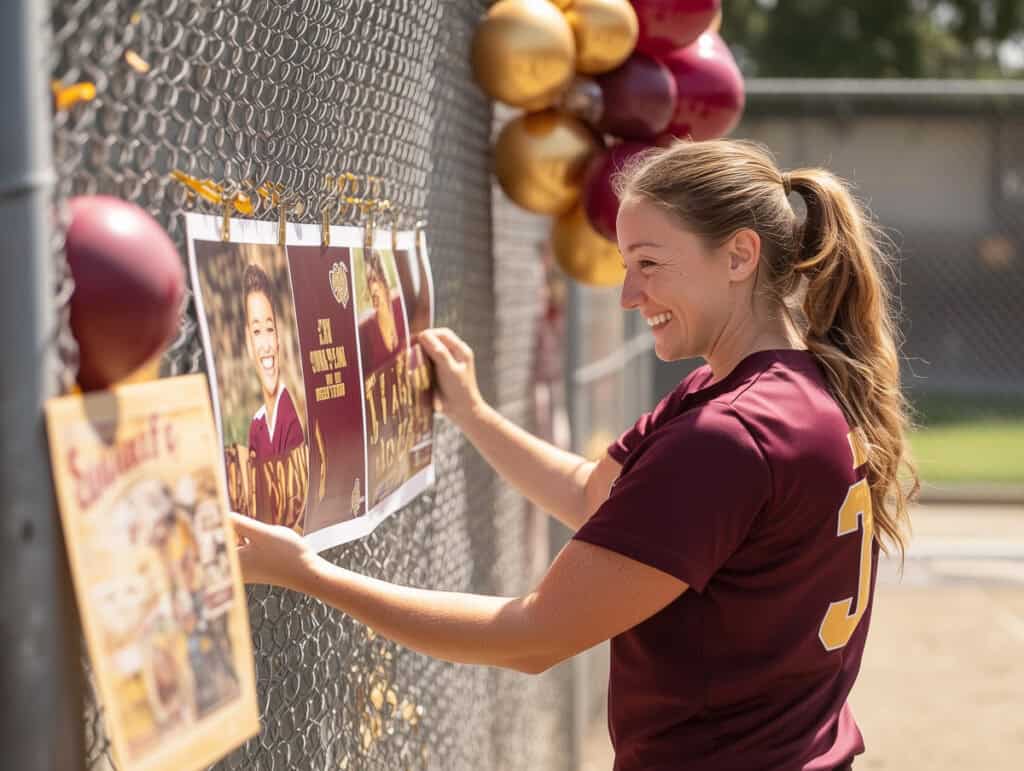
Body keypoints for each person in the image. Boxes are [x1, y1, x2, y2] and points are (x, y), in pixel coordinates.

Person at [232, 139, 918, 770]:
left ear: (739, 255)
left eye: (649, 264)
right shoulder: (787, 385)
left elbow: (534, 637)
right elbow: (602, 497)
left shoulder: (728, 434)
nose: (627, 294)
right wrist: (472, 413)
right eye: (626, 266)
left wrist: (307, 573)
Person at [242, 263, 305, 524]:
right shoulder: (256, 426)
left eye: (270, 329)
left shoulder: (293, 416)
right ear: (248, 342)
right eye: (257, 332)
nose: (266, 344)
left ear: (279, 337)